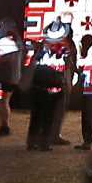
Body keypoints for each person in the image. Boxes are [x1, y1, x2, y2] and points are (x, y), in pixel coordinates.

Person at [26, 22, 74, 151]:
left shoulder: (59, 48)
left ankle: (37, 142)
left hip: (47, 84)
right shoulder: (55, 48)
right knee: (44, 115)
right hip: (47, 84)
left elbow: (66, 67)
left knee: (42, 116)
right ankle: (40, 142)